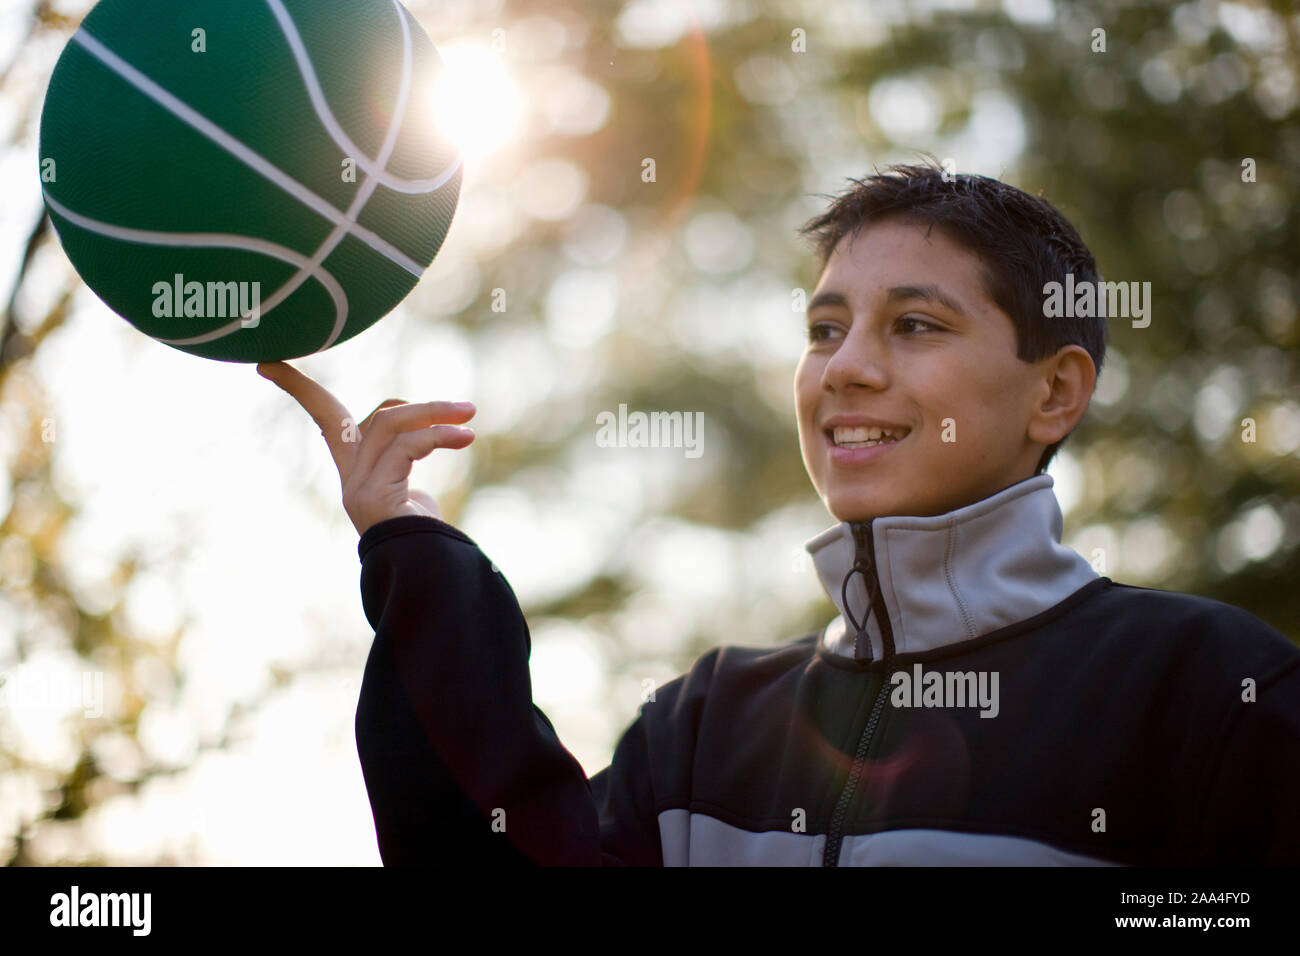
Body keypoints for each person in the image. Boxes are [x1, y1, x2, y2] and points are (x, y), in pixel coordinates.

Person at [258, 162, 1300, 866]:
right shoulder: (706, 724)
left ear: (1055, 392)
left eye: (916, 324)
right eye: (824, 327)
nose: (844, 367)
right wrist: (419, 561)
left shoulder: (1210, 692)